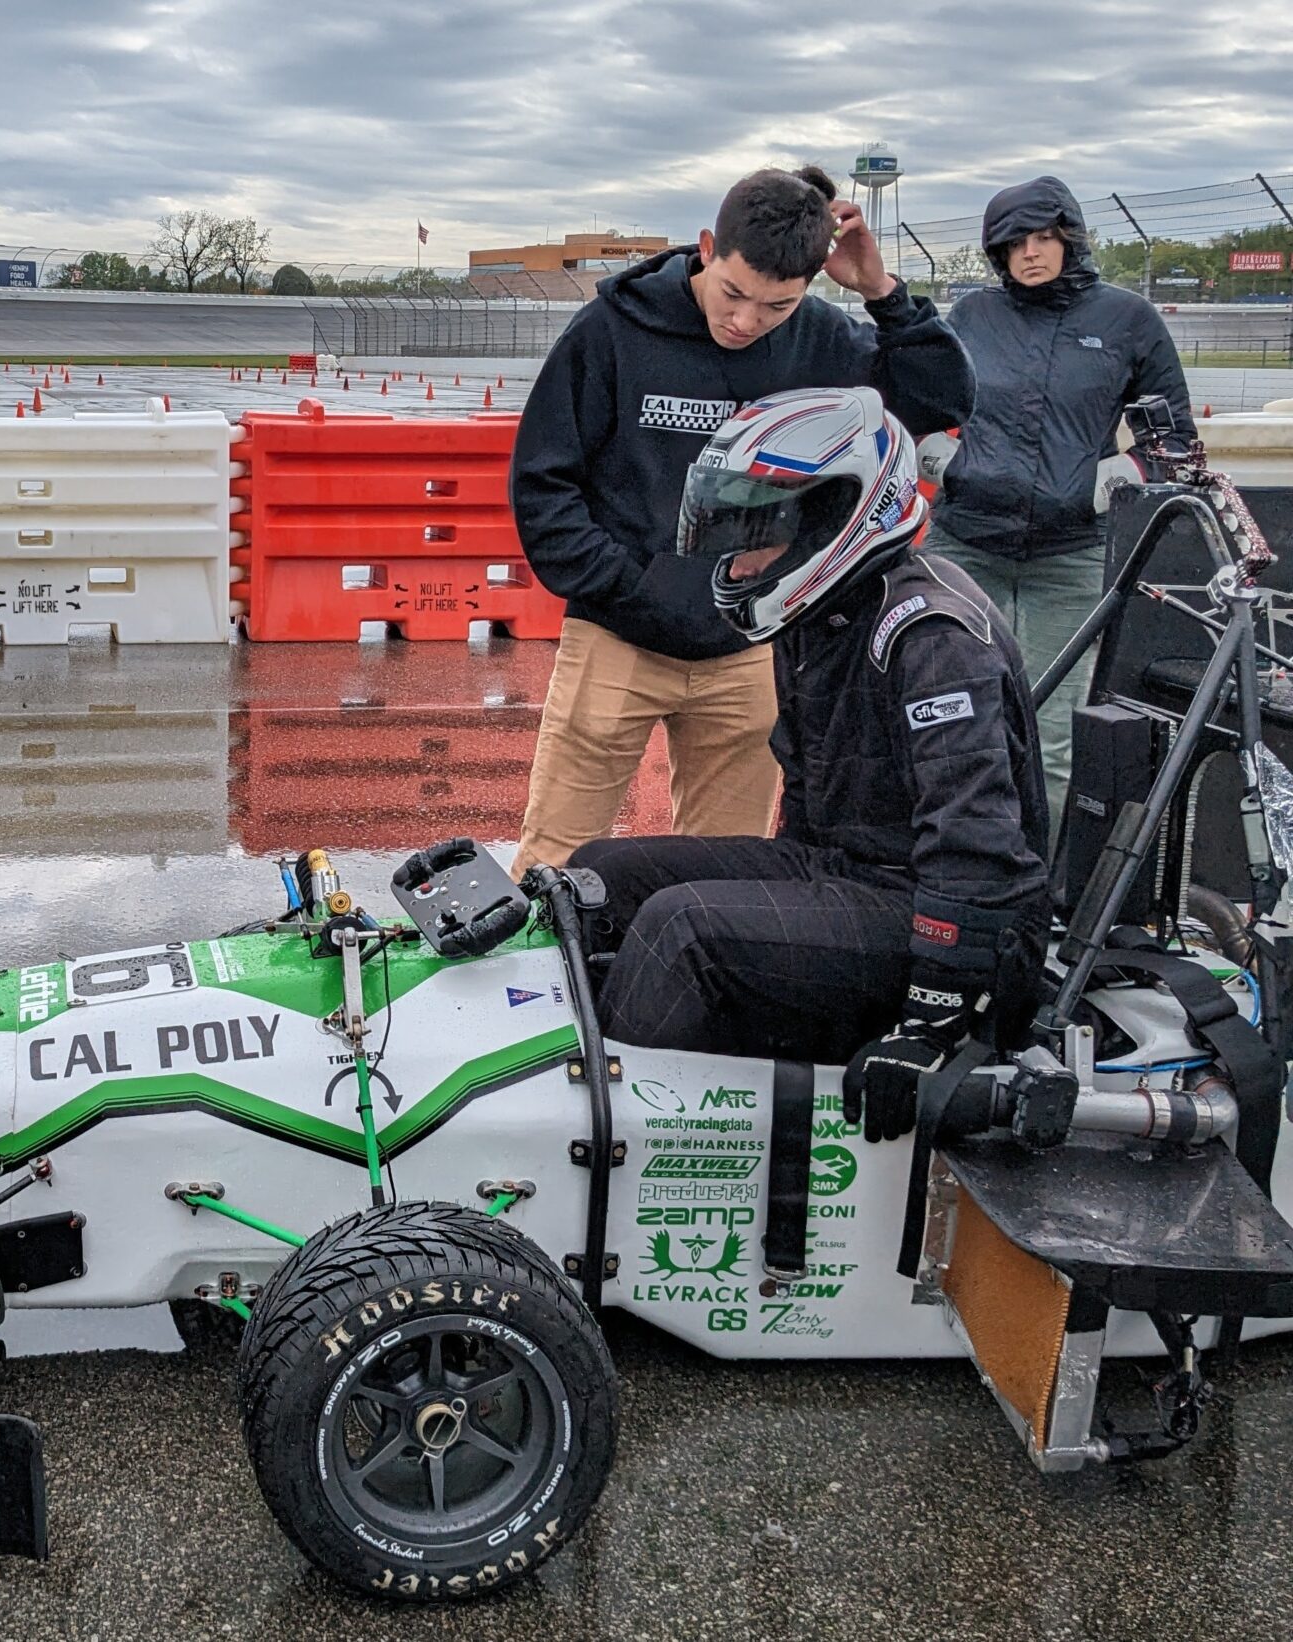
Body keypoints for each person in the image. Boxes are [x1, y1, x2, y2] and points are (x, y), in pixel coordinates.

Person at [570, 387, 1050, 1141]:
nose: (739, 554)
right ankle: (578, 1059)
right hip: (852, 872)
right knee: (602, 875)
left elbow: (979, 852)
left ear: (838, 514)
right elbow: (810, 814)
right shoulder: (823, 614)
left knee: (681, 930)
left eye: (759, 528)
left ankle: (616, 1141)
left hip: (954, 927)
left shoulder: (929, 634)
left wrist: (933, 1018)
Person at [508, 164, 974, 877]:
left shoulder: (819, 340)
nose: (745, 321)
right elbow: (543, 485)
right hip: (617, 637)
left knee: (725, 875)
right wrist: (632, 587)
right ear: (705, 248)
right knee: (553, 864)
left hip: (754, 649)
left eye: (775, 307)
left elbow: (940, 400)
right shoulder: (612, 329)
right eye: (733, 293)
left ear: (807, 289)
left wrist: (884, 295)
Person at [927, 175, 1196, 829]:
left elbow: (1175, 444)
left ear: (1070, 238)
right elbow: (920, 406)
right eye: (1014, 242)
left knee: (1046, 738)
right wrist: (951, 465)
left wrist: (1091, 490)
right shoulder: (969, 317)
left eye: (1044, 237)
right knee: (948, 720)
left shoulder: (1128, 320)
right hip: (962, 550)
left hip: (1068, 561)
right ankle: (939, 881)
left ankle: (1031, 901)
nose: (1031, 253)